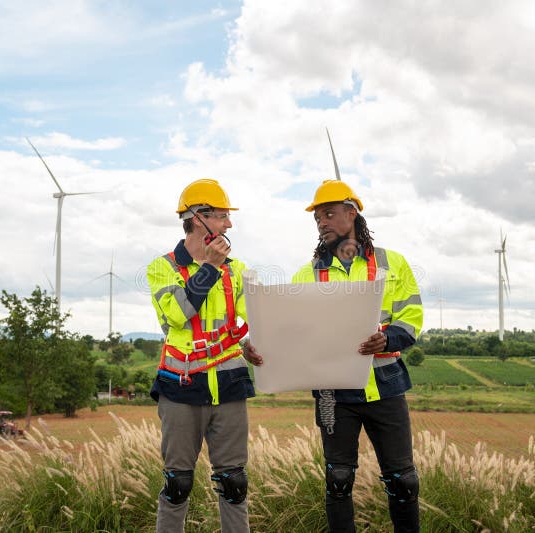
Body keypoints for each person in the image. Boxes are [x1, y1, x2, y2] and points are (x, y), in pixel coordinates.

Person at [260, 178, 423, 532]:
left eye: (330, 214)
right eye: (318, 217)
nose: (322, 222)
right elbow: (291, 331)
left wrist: (386, 337)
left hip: (386, 387)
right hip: (333, 392)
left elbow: (412, 320)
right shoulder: (308, 274)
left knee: (403, 481)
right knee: (338, 479)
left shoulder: (392, 262)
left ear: (352, 213)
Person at [147, 178, 257, 533]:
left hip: (229, 385)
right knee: (177, 484)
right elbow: (178, 314)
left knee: (234, 484)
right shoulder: (162, 267)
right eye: (222, 216)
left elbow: (256, 315)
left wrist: (261, 342)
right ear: (198, 218)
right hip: (181, 388)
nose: (229, 224)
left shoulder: (236, 269)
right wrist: (208, 267)